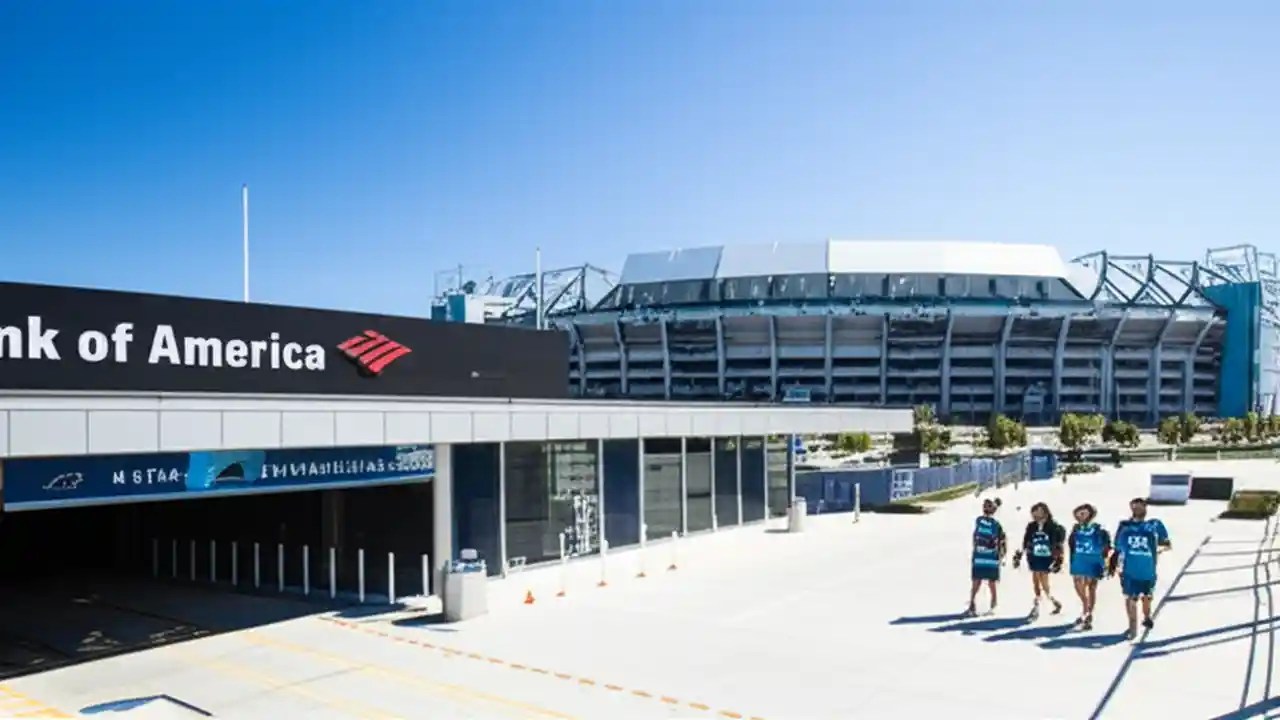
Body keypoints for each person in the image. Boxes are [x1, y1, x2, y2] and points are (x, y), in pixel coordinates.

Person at [1110, 497, 1171, 639]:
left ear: (1145, 508)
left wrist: (1159, 549)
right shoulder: (1125, 526)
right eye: (1134, 507)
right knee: (1130, 598)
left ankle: (1147, 616)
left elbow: (1166, 544)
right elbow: (1118, 546)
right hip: (1129, 569)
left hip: (1148, 569)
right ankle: (1132, 628)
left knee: (1147, 597)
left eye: (1140, 507)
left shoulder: (1154, 525)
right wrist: (1115, 563)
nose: (1137, 510)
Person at [1012, 502, 1066, 620]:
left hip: (1047, 557)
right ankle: (1042, 602)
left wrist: (1059, 558)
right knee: (1036, 580)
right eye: (1035, 512)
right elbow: (1026, 540)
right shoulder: (1031, 526)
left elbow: (1058, 542)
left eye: (1039, 512)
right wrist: (1020, 553)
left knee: (1043, 580)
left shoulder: (1053, 526)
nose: (1037, 515)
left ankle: (1047, 601)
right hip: (1034, 557)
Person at [1068, 503, 1111, 630]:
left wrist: (1107, 561)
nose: (1081, 515)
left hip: (1094, 559)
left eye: (1084, 513)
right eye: (1079, 513)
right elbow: (1072, 545)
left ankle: (1088, 613)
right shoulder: (1076, 528)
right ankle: (1085, 605)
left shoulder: (1098, 528)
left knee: (1091, 587)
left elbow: (1106, 544)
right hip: (1079, 560)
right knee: (1078, 583)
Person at [965, 497, 1006, 617]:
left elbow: (1001, 540)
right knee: (976, 581)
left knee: (991, 582)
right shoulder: (980, 520)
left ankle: (993, 605)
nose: (986, 508)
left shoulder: (996, 524)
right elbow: (976, 536)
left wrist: (1001, 555)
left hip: (991, 556)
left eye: (988, 506)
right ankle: (972, 604)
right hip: (979, 555)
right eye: (985, 506)